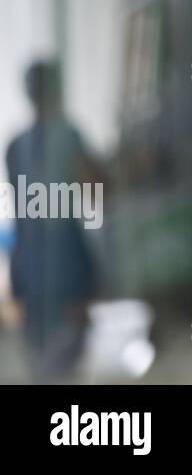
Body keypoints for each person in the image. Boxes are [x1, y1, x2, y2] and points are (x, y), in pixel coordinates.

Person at [5, 59, 101, 382]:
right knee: (67, 352)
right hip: (62, 253)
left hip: (30, 258)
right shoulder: (67, 135)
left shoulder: (15, 146)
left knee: (43, 355)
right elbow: (96, 190)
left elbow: (21, 213)